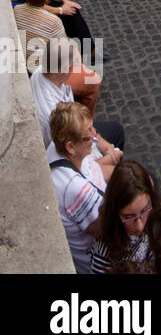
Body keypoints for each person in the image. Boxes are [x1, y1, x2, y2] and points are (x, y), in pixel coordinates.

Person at [47, 101, 108, 274]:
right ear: (70, 147)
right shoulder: (75, 188)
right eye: (87, 136)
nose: (93, 136)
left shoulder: (56, 147)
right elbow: (106, 231)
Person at [89, 160, 161, 274]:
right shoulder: (104, 254)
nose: (140, 227)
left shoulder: (156, 216)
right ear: (115, 213)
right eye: (129, 216)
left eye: (144, 210)